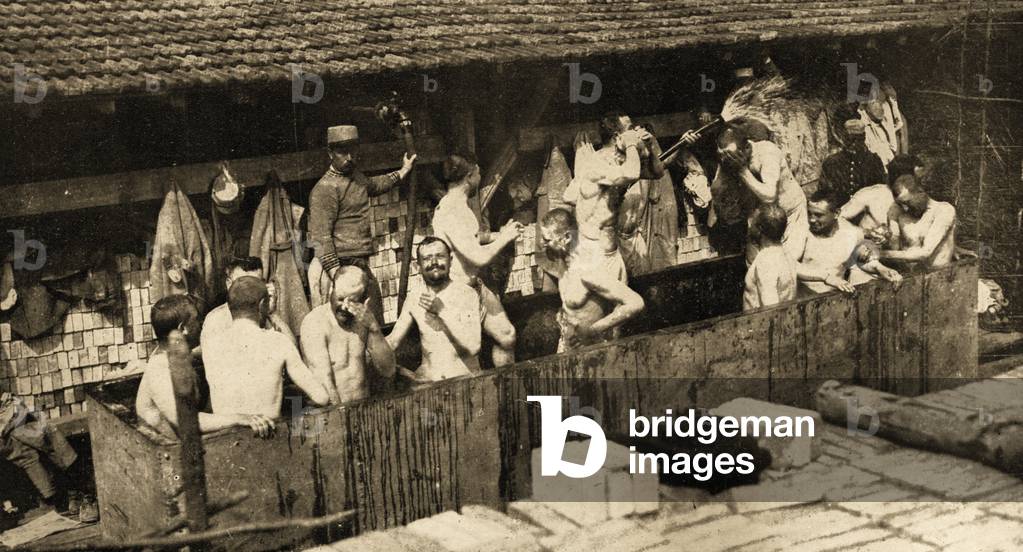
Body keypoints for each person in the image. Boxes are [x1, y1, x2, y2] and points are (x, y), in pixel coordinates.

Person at [307, 124, 417, 322]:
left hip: (360, 264)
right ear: (330, 153)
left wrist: (403, 171)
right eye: (342, 152)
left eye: (353, 151)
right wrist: (338, 277)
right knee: (352, 327)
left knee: (373, 320)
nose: (349, 157)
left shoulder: (356, 177)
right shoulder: (324, 189)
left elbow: (375, 185)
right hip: (342, 265)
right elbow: (321, 238)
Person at [136, 295, 277, 439]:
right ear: (183, 328)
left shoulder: (176, 354)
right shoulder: (159, 369)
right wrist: (240, 418)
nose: (201, 323)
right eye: (197, 319)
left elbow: (213, 348)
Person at [431, 153, 520, 366]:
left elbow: (467, 240)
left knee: (506, 336)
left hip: (474, 287)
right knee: (468, 358)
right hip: (457, 293)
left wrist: (493, 236)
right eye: (479, 171)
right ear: (470, 176)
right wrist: (506, 238)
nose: (480, 175)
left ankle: (507, 390)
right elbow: (478, 257)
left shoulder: (459, 205)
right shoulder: (453, 210)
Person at [202, 277, 329, 417]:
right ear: (262, 305)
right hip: (268, 435)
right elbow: (321, 397)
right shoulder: (278, 341)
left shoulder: (212, 343)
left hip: (225, 435)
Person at [539, 208, 644, 352]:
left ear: (567, 237)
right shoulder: (563, 259)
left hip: (592, 351)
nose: (542, 243)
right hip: (568, 346)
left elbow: (635, 303)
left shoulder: (588, 271)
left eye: (547, 240)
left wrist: (592, 331)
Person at [564, 113, 649, 281]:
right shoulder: (597, 162)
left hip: (625, 244)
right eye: (630, 130)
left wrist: (649, 146)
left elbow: (657, 171)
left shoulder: (623, 161)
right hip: (604, 250)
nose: (636, 132)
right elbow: (569, 196)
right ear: (618, 137)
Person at [386, 238, 484, 381]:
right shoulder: (414, 297)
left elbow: (473, 346)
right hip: (429, 388)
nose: (434, 263)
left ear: (450, 260)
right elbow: (393, 341)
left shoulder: (466, 294)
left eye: (440, 256)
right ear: (417, 265)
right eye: (427, 258)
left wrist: (441, 311)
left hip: (464, 384)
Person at [300, 266, 396, 404]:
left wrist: (374, 328)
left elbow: (388, 370)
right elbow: (324, 384)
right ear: (330, 290)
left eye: (352, 301)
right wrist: (342, 418)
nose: (345, 307)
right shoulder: (315, 323)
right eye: (340, 299)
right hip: (333, 412)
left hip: (364, 407)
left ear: (364, 300)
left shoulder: (363, 318)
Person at [714, 125, 808, 265]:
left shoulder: (767, 152)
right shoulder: (727, 158)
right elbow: (717, 191)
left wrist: (742, 171)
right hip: (759, 217)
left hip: (790, 214)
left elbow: (769, 196)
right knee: (755, 266)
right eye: (723, 155)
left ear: (746, 148)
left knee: (788, 264)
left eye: (731, 155)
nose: (728, 159)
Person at [1, 393, 96, 521]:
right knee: (22, 448)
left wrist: (9, 417)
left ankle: (80, 492)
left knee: (42, 434)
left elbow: (12, 406)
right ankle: (57, 496)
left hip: (8, 419)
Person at [796, 190, 902, 295]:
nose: (812, 220)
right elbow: (790, 265)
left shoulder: (851, 233)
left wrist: (882, 269)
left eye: (818, 215)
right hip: (802, 302)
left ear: (836, 213)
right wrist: (826, 277)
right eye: (809, 214)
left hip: (833, 300)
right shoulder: (801, 231)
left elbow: (859, 261)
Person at [199, 256, 294, 353]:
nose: (250, 291)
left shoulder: (266, 315)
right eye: (244, 284)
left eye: (256, 283)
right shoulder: (216, 319)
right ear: (229, 284)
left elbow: (292, 351)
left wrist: (272, 313)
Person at [878, 174, 956, 270]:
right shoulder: (898, 211)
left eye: (907, 202)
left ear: (921, 193)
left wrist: (881, 254)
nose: (904, 208)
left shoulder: (943, 210)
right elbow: (894, 246)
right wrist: (885, 237)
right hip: (910, 276)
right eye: (900, 204)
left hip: (939, 274)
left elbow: (925, 253)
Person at [839, 153, 923, 234]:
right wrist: (865, 233)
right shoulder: (872, 194)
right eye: (917, 179)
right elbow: (838, 219)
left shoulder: (924, 199)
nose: (921, 183)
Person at [743, 204, 797, 311]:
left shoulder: (765, 262)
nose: (749, 226)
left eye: (752, 223)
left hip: (758, 325)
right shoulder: (785, 253)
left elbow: (771, 310)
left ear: (760, 229)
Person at [818, 119, 887, 200]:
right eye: (850, 139)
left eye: (858, 139)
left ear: (864, 137)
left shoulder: (874, 162)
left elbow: (881, 192)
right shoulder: (831, 163)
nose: (853, 144)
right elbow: (824, 193)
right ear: (843, 137)